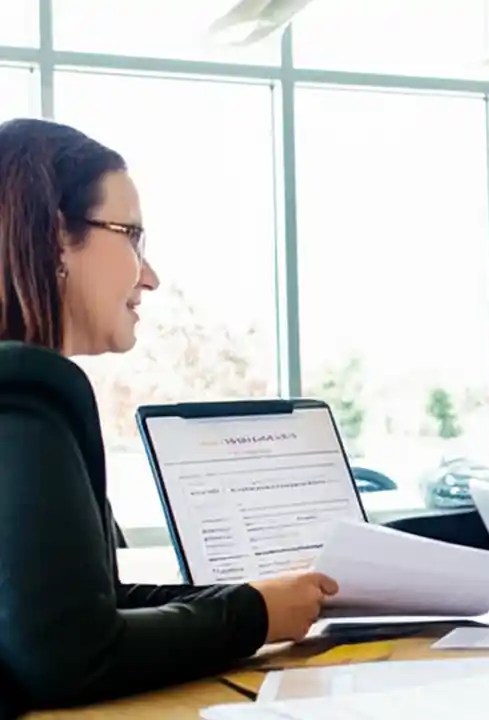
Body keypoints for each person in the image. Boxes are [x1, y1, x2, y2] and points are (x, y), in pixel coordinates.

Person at [0, 118, 338, 716]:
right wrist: (253, 613)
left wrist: (258, 598)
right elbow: (68, 651)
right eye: (132, 236)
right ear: (56, 237)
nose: (149, 275)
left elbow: (82, 609)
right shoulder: (22, 391)